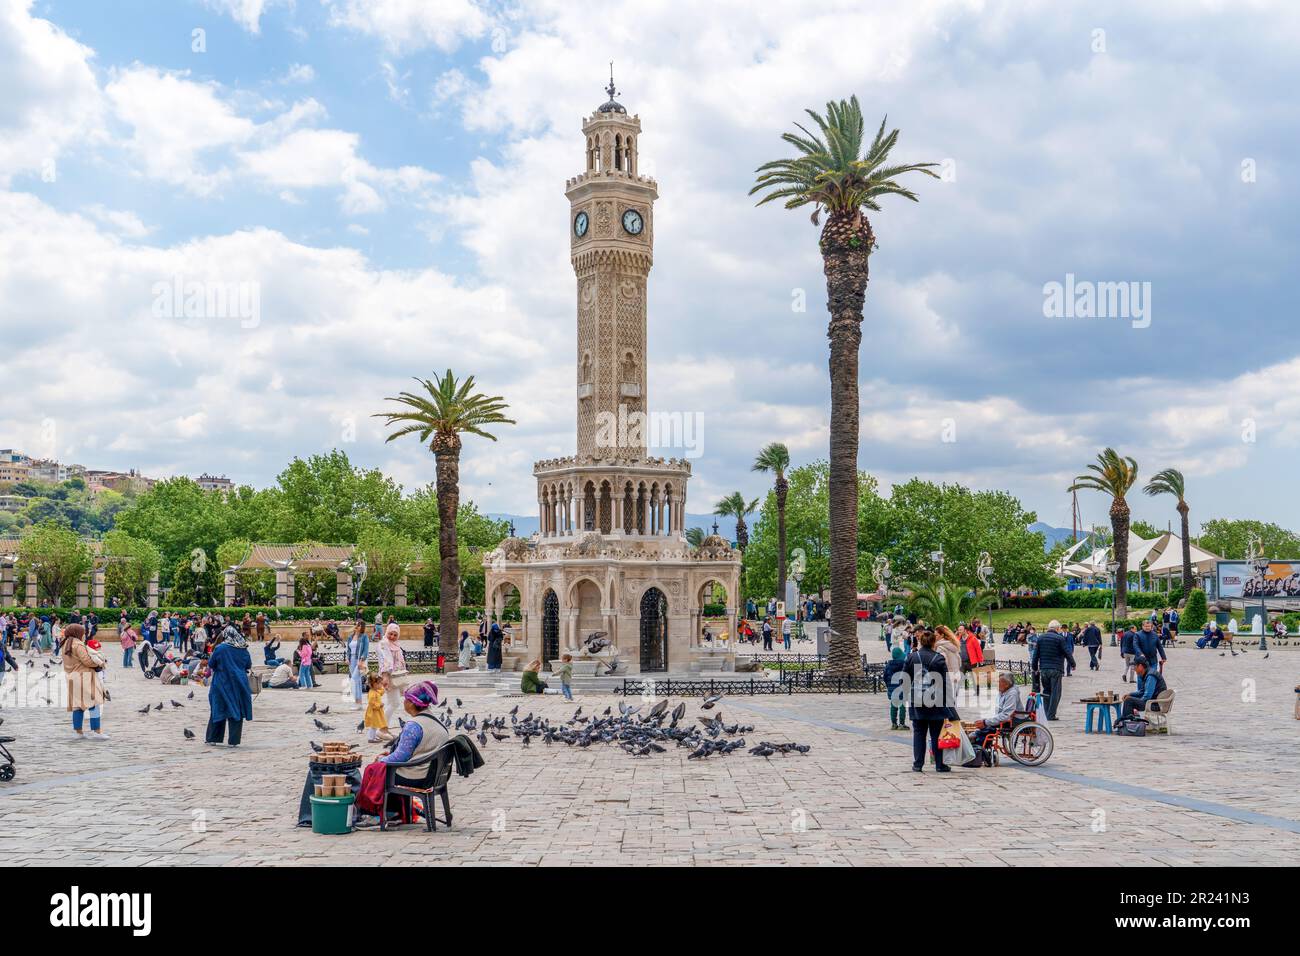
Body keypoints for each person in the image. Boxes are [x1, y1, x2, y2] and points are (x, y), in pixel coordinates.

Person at [355, 680, 450, 825]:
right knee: (384, 764)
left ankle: (376, 813)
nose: (404, 702)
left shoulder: (414, 726)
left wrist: (380, 761)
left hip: (418, 775)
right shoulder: (438, 723)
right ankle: (395, 812)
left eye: (406, 699)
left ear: (412, 703)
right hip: (434, 774)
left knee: (374, 770)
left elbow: (401, 756)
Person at [905, 629, 954, 772]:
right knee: (936, 733)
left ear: (920, 642)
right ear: (934, 642)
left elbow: (905, 678)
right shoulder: (938, 658)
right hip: (935, 700)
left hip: (917, 700)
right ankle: (939, 764)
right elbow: (945, 682)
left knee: (919, 732)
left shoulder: (912, 657)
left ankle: (918, 764)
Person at [205, 625, 253, 746]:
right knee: (237, 710)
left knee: (218, 708)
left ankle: (213, 738)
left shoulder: (220, 648)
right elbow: (248, 665)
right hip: (239, 682)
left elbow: (211, 663)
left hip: (222, 681)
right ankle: (234, 740)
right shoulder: (243, 648)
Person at [61, 624, 109, 741]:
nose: (84, 634)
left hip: (71, 677)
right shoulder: (78, 644)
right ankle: (96, 732)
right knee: (94, 703)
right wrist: (99, 664)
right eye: (83, 632)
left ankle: (78, 732)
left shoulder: (65, 644)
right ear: (78, 633)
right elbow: (87, 660)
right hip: (84, 676)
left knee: (78, 706)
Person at [1030, 620, 1075, 721]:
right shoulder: (1060, 638)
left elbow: (1035, 654)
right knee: (1055, 692)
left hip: (1044, 669)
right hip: (1056, 669)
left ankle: (1046, 713)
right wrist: (1073, 664)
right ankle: (1051, 715)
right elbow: (1067, 652)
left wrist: (1034, 668)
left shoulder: (1041, 638)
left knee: (1046, 691)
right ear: (1057, 628)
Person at [969, 673, 1023, 751]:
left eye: (998, 682)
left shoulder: (1012, 694)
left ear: (1006, 684)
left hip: (1013, 720)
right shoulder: (1003, 692)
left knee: (988, 725)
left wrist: (986, 722)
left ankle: (978, 743)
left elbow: (1006, 715)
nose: (996, 684)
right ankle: (977, 740)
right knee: (986, 722)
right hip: (1006, 718)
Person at [1120, 657, 1169, 723]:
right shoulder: (1148, 673)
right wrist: (1130, 694)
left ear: (1140, 666)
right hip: (1154, 702)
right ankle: (1127, 723)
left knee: (1129, 701)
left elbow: (1147, 696)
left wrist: (1136, 701)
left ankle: (1129, 725)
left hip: (1156, 705)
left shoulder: (1150, 676)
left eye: (1135, 666)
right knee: (1129, 699)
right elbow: (1142, 691)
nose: (1134, 669)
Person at [378, 623, 408, 725]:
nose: (392, 637)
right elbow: (385, 661)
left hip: (396, 677)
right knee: (395, 703)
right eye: (391, 633)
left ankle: (384, 727)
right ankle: (382, 727)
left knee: (391, 703)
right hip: (389, 677)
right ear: (387, 632)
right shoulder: (384, 643)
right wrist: (385, 677)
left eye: (395, 635)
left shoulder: (396, 644)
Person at [883, 645, 909, 731]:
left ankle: (894, 724)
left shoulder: (888, 665)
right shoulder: (904, 665)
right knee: (902, 706)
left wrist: (888, 685)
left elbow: (885, 677)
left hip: (892, 689)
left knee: (893, 706)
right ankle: (902, 724)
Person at [364, 673, 393, 743]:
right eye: (379, 683)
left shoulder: (376, 690)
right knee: (373, 725)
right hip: (373, 711)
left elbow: (381, 692)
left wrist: (383, 687)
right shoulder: (372, 693)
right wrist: (379, 705)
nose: (381, 685)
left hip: (377, 711)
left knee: (376, 724)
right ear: (374, 684)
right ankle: (371, 738)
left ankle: (373, 736)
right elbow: (372, 703)